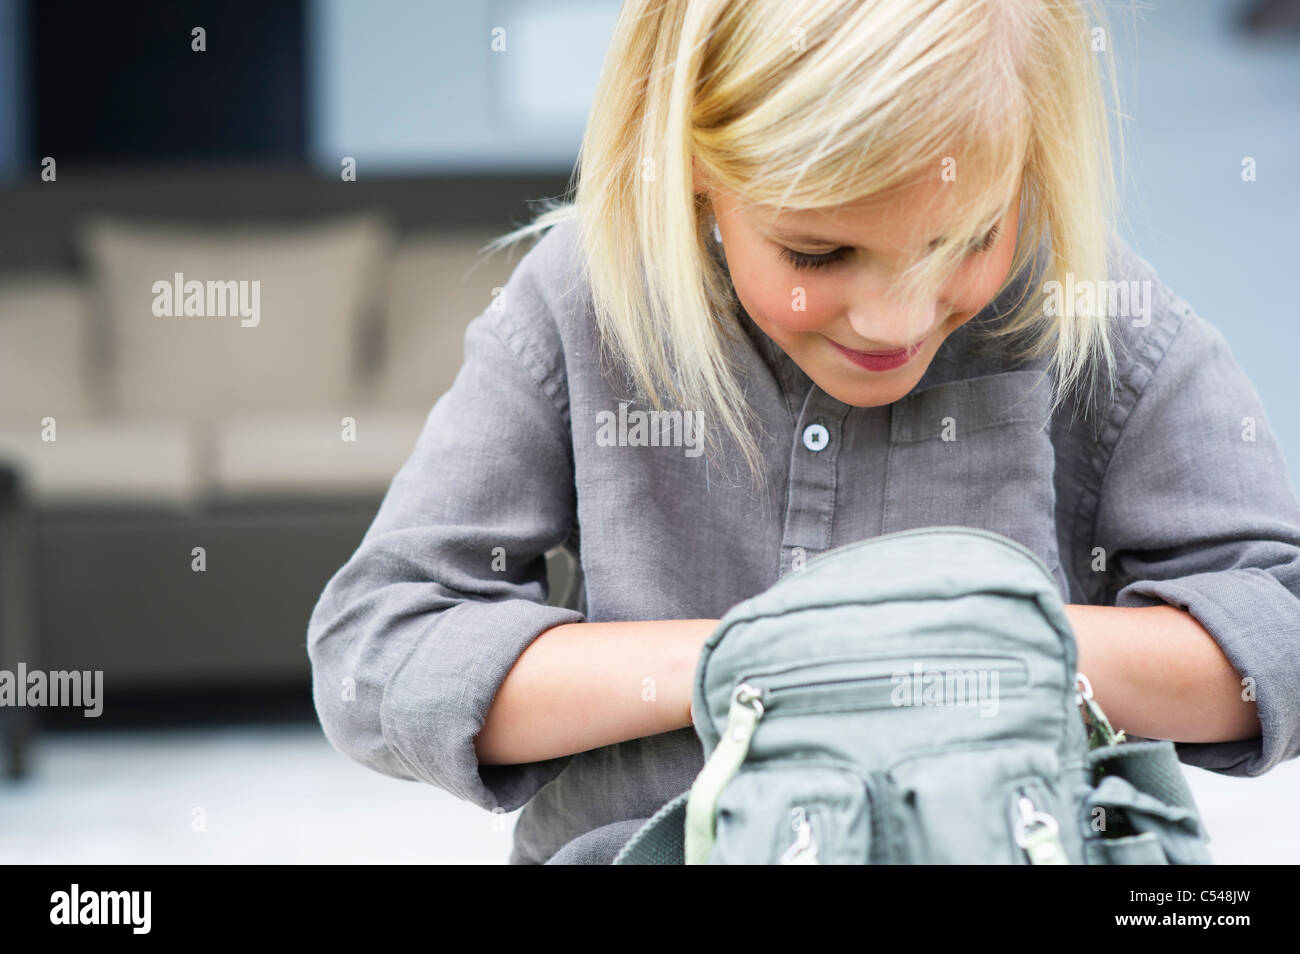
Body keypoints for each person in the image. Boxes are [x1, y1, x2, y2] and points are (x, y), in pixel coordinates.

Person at [306, 0, 1300, 864]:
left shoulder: (1095, 308)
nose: (895, 321)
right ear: (694, 166)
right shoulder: (581, 302)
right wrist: (750, 662)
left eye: (964, 241)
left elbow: (1280, 628)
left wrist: (985, 649)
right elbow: (376, 651)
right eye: (819, 253)